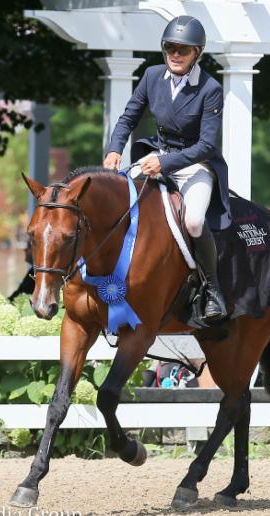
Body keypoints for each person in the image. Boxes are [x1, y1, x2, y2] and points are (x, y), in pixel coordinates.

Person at [102, 15, 230, 321]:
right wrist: (114, 149)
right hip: (155, 158)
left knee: (196, 222)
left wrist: (165, 161)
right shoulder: (151, 75)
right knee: (119, 202)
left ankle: (212, 290)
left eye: (183, 49)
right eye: (170, 47)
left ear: (196, 53)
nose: (175, 53)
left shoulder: (210, 88)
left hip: (194, 164)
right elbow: (128, 118)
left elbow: (207, 146)